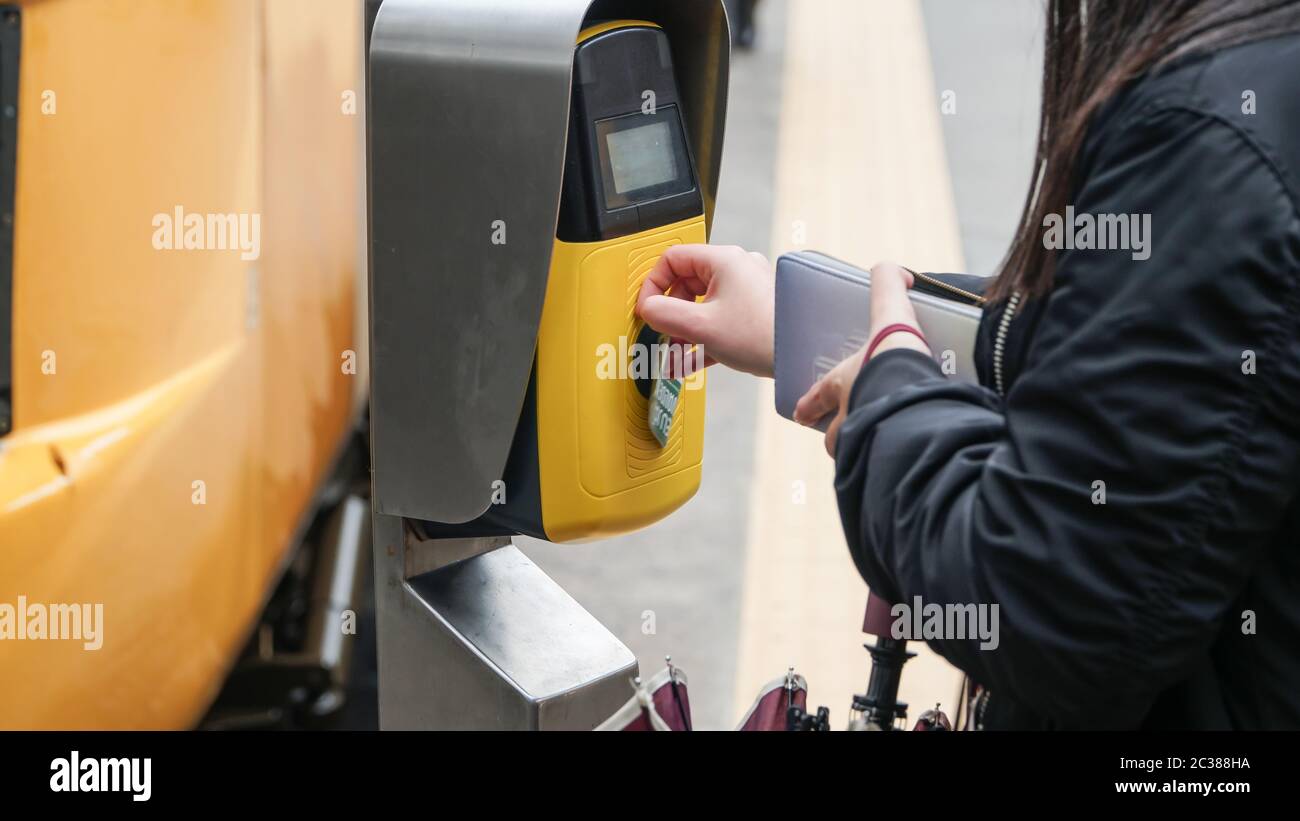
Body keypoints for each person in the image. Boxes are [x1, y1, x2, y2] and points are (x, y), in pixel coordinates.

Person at [636, 1, 1300, 730]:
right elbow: (1132, 367)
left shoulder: (1209, 138)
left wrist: (886, 403)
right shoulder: (1255, 80)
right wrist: (805, 326)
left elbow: (1043, 597)